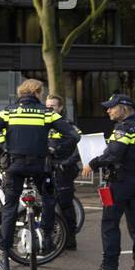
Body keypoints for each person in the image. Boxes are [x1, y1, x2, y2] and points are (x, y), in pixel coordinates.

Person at [0, 79, 78, 262]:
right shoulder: (47, 113)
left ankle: (4, 253)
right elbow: (73, 135)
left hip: (14, 166)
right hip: (41, 166)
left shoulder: (9, 112)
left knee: (9, 208)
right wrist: (56, 151)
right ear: (37, 92)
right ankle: (47, 237)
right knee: (48, 199)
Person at [84, 94, 135, 270]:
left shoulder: (124, 128)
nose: (108, 110)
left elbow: (114, 155)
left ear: (123, 107)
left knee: (109, 224)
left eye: (111, 107)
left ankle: (109, 269)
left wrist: (92, 163)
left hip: (119, 183)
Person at [45, 93, 83, 250]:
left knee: (65, 204)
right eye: (47, 106)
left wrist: (67, 163)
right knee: (46, 203)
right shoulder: (43, 124)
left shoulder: (68, 125)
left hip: (63, 169)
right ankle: (50, 238)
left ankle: (70, 239)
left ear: (60, 108)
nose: (49, 109)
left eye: (52, 106)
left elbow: (82, 144)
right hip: (46, 168)